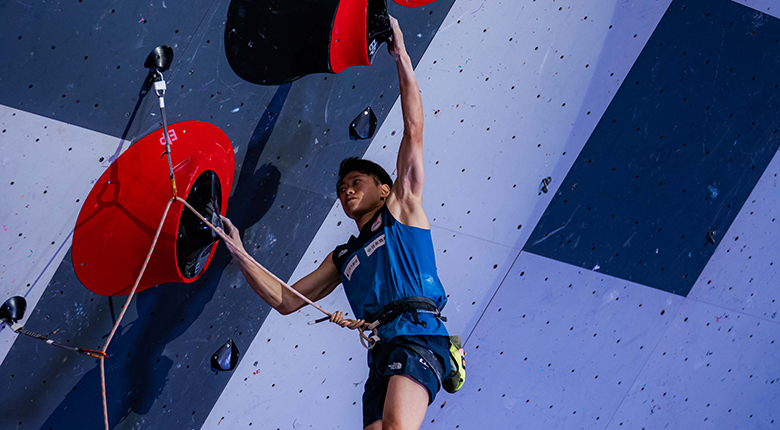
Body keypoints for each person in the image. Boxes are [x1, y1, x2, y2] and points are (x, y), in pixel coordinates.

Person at [218, 16, 450, 430]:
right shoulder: (343, 256)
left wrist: (402, 58)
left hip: (418, 335)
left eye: (356, 182)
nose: (346, 191)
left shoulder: (402, 208)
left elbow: (414, 130)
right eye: (341, 187)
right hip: (382, 352)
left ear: (383, 189)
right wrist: (238, 253)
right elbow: (287, 300)